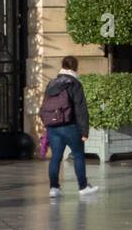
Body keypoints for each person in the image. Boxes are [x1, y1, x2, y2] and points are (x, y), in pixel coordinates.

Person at [40, 57, 99, 197]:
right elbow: (81, 109)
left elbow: (44, 105)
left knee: (56, 157)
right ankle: (83, 187)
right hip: (70, 126)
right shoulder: (74, 83)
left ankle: (54, 188)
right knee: (78, 155)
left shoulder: (52, 83)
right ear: (75, 67)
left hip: (53, 127)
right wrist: (84, 131)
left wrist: (47, 125)